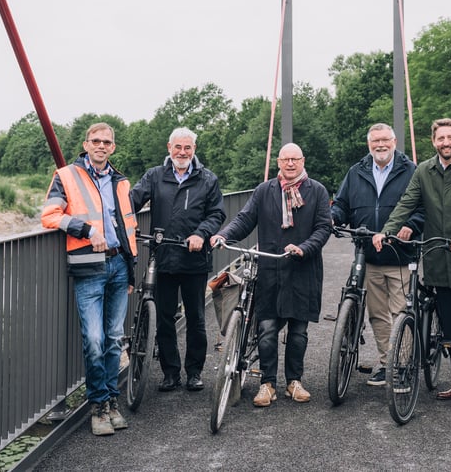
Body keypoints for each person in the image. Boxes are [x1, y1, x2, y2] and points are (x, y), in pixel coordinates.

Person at [373, 118, 451, 409]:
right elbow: (407, 202)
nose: (446, 143)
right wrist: (387, 230)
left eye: (450, 137)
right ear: (434, 142)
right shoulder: (424, 171)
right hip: (438, 260)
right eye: (441, 139)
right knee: (450, 328)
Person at [211, 143, 332, 407]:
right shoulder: (264, 191)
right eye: (285, 159)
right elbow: (244, 219)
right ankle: (267, 383)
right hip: (270, 268)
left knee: (298, 331)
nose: (290, 164)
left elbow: (324, 228)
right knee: (266, 329)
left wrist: (303, 248)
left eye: (295, 159)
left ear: (303, 161)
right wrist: (223, 235)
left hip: (303, 269)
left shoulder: (318, 191)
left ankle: (294, 382)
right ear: (278, 162)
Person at [41, 122, 137, 436]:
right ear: (86, 144)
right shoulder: (66, 175)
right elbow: (49, 215)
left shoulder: (121, 181)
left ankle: (111, 401)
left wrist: (131, 271)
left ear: (113, 147)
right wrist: (87, 230)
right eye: (95, 141)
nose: (100, 146)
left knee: (112, 340)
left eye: (106, 142)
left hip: (119, 265)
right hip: (89, 265)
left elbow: (126, 228)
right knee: (94, 340)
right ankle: (97, 405)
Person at [130, 127, 225, 393]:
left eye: (188, 148)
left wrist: (201, 233)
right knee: (164, 318)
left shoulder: (207, 179)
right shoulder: (155, 176)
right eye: (178, 147)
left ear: (194, 149)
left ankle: (194, 372)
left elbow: (217, 214)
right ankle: (170, 372)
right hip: (165, 257)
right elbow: (131, 202)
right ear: (169, 147)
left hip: (195, 258)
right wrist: (120, 220)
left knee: (196, 318)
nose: (182, 153)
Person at [331, 123, 424, 386]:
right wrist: (333, 217)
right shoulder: (357, 171)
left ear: (394, 142)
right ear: (369, 144)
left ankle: (403, 365)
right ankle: (387, 363)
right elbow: (342, 203)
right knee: (377, 315)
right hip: (368, 255)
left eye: (385, 140)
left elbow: (423, 206)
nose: (380, 145)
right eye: (375, 141)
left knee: (400, 313)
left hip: (400, 256)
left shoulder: (411, 170)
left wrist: (411, 225)